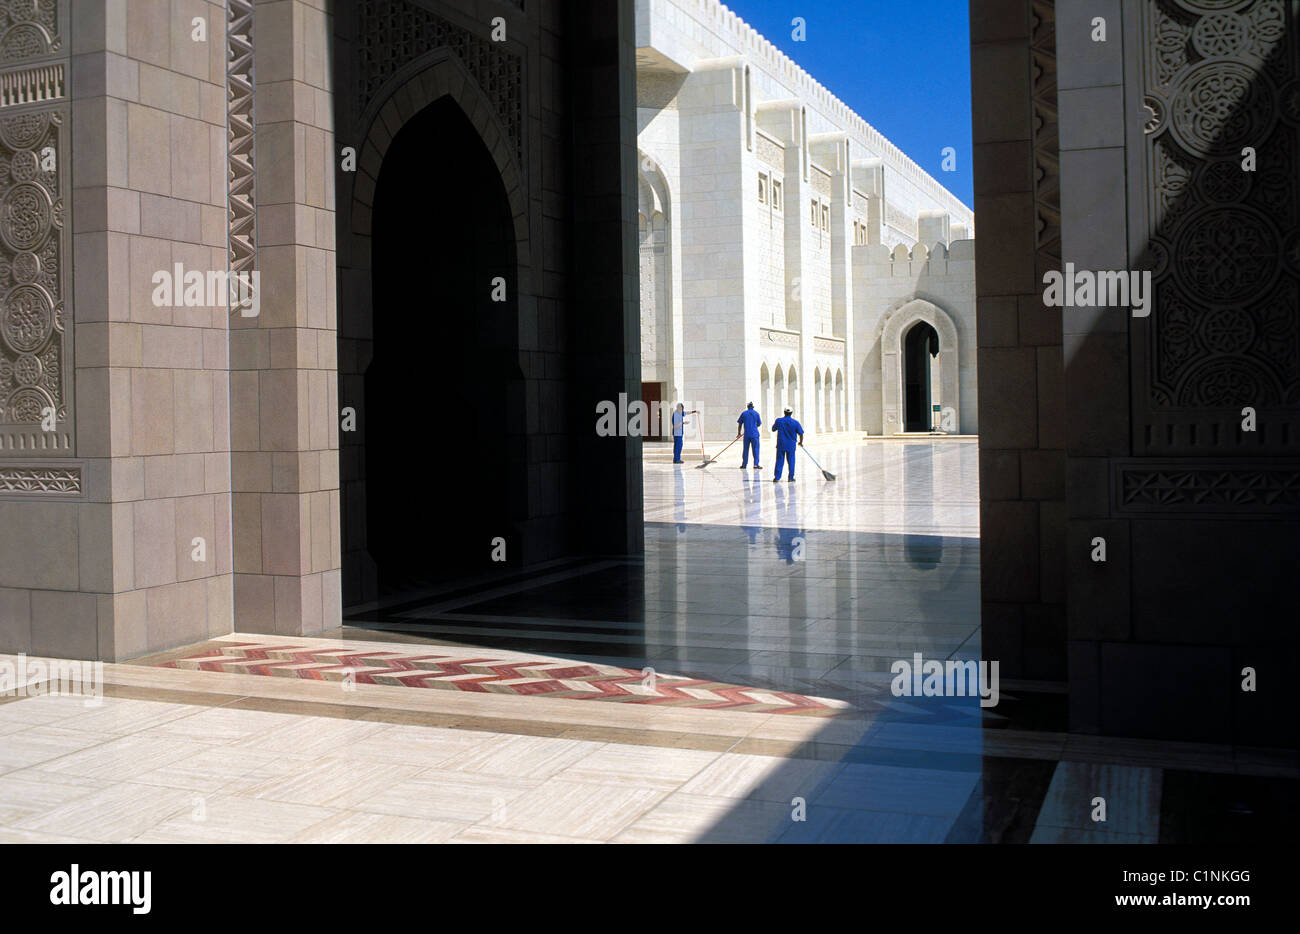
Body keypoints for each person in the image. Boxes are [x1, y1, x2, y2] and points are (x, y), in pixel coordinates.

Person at [771, 407, 803, 482]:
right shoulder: (795, 422)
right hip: (791, 445)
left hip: (781, 444)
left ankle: (777, 477)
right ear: (791, 413)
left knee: (779, 460)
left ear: (784, 412)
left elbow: (773, 429)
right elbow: (801, 433)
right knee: (791, 461)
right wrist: (801, 442)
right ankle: (790, 477)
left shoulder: (779, 421)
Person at [736, 401, 762, 469]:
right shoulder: (756, 413)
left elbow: (740, 423)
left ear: (747, 407)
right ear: (753, 407)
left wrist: (739, 433)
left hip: (747, 434)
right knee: (756, 449)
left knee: (746, 449)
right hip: (754, 434)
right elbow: (759, 424)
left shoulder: (744, 413)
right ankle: (756, 464)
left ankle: (744, 464)